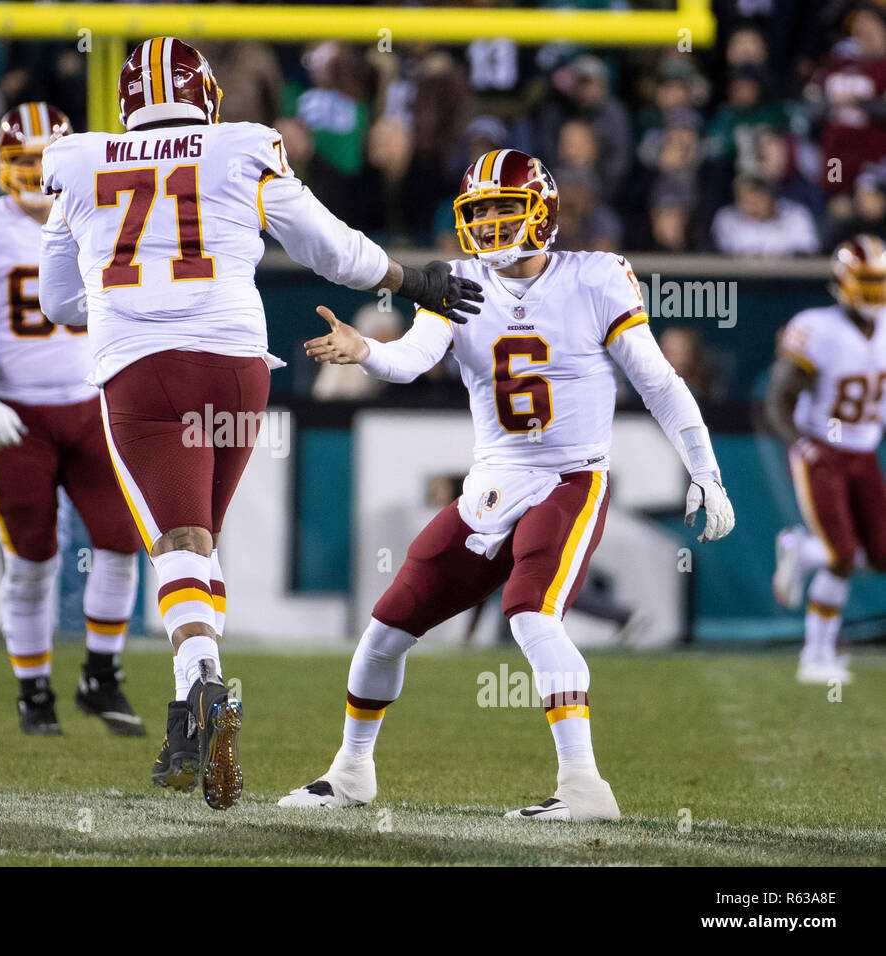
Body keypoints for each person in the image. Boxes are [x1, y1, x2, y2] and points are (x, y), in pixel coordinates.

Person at [37, 37, 482, 810]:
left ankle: (201, 689)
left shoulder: (76, 160)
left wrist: (115, 262)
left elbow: (58, 303)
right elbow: (331, 249)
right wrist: (412, 279)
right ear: (205, 96)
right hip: (235, 367)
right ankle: (189, 709)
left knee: (176, 546)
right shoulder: (244, 146)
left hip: (140, 366)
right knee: (199, 542)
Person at [281, 149, 735, 820]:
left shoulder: (596, 277)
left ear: (543, 211)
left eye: (504, 208)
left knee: (530, 609)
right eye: (480, 212)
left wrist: (706, 470)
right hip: (492, 483)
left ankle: (585, 787)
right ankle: (351, 770)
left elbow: (659, 382)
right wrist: (368, 352)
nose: (491, 224)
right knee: (388, 624)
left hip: (569, 477)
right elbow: (411, 360)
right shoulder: (456, 281)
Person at [0, 104, 146, 738]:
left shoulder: (103, 212)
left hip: (92, 403)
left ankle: (100, 677)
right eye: (22, 161)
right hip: (16, 414)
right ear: (4, 166)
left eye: (43, 160)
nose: (33, 173)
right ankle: (33, 691)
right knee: (31, 559)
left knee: (120, 540)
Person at [769, 235, 886, 685]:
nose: (875, 294)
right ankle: (815, 656)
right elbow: (779, 399)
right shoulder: (819, 329)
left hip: (864, 450)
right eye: (867, 283)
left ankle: (798, 549)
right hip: (823, 450)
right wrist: (801, 443)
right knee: (841, 554)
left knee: (877, 555)